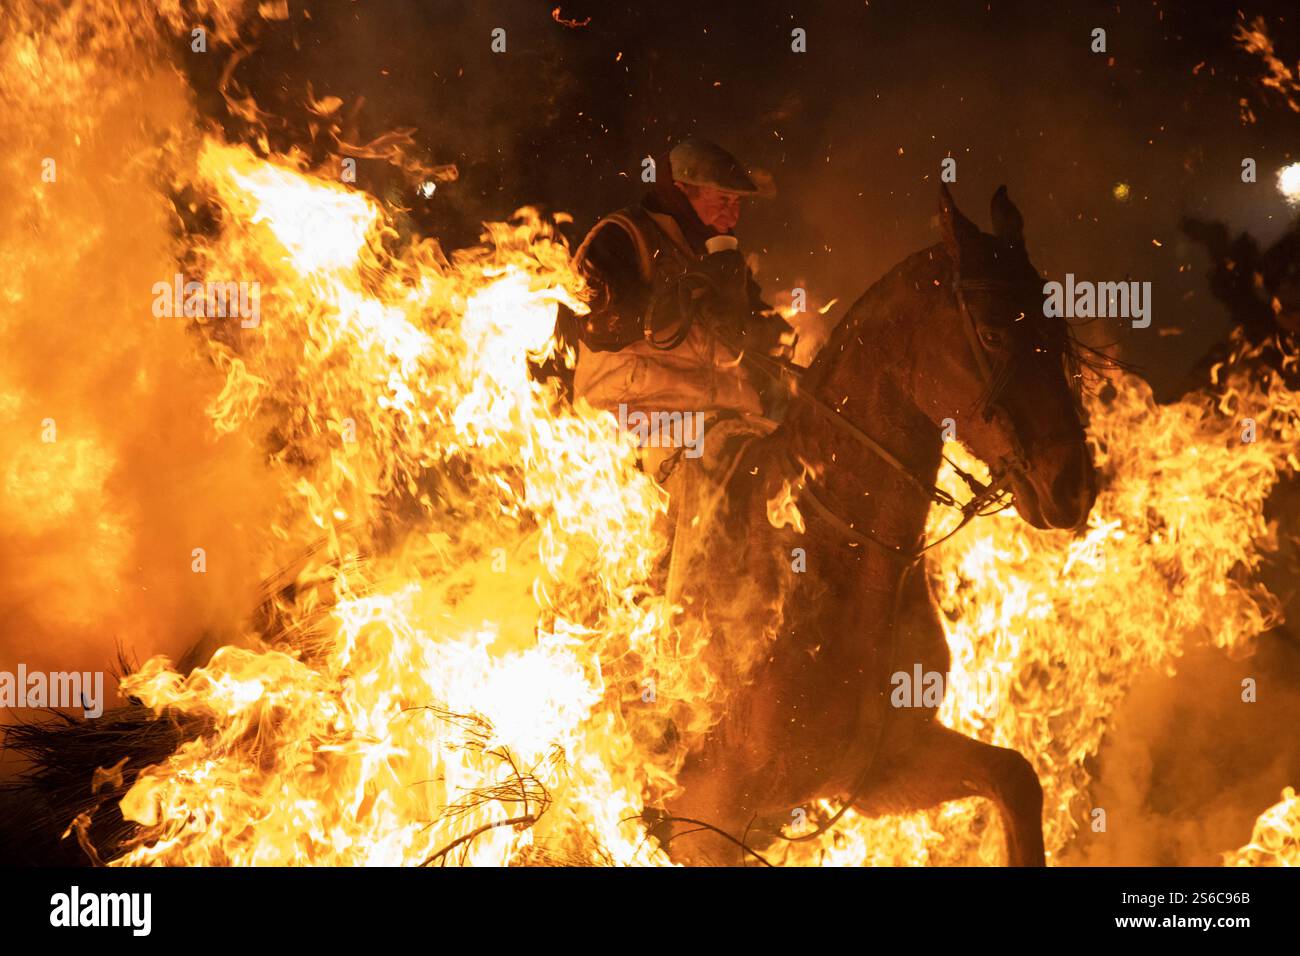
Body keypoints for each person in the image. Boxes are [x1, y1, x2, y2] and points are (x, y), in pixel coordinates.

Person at [555, 137, 795, 479]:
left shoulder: (723, 258)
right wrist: (686, 297)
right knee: (713, 475)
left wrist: (769, 334)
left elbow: (762, 335)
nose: (733, 213)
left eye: (738, 202)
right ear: (682, 190)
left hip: (722, 421)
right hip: (639, 423)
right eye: (723, 199)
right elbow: (600, 328)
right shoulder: (622, 237)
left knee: (794, 467)